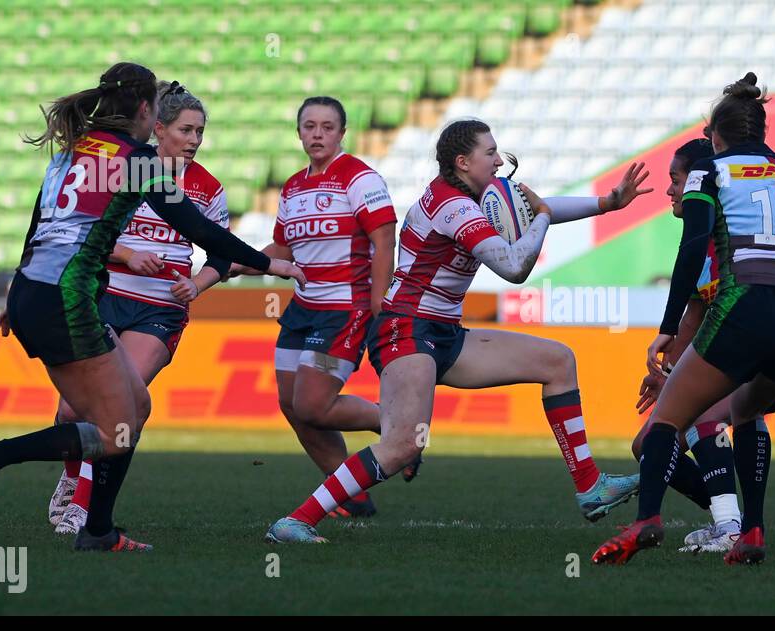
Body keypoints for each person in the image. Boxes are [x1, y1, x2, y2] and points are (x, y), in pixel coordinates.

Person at [0, 62, 305, 552]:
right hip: (67, 300)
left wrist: (17, 294)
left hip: (38, 291)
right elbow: (198, 229)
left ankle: (98, 530)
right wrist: (269, 263)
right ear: (145, 111)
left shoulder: (74, 150)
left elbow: (39, 225)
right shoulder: (138, 161)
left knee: (134, 407)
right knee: (115, 431)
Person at [264, 118, 652, 543]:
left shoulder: (476, 193)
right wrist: (539, 218)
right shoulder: (455, 206)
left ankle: (590, 487)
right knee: (402, 446)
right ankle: (296, 520)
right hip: (406, 329)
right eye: (490, 152)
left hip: (442, 331)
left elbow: (535, 205)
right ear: (464, 162)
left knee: (557, 361)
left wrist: (606, 203)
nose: (500, 160)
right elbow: (514, 266)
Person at [592, 73, 775, 565]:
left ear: (714, 135)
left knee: (667, 418)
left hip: (748, 306)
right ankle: (750, 531)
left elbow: (693, 247)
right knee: (748, 411)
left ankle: (646, 522)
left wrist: (666, 329)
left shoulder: (711, 170)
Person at [48, 80, 231, 535]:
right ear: (160, 128)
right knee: (72, 411)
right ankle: (71, 480)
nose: (194, 141)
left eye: (200, 132)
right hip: (105, 296)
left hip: (158, 311)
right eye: (186, 130)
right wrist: (128, 256)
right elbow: (80, 235)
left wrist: (198, 283)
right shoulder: (124, 171)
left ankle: (86, 508)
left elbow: (221, 254)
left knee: (118, 401)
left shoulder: (208, 187)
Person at [242, 97, 401, 519]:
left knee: (313, 404)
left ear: (342, 133)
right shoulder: (293, 187)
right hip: (303, 309)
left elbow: (385, 240)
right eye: (309, 126)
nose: (317, 134)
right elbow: (282, 247)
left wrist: (377, 304)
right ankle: (352, 496)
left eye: (327, 127)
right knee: (293, 406)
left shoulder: (360, 178)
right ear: (298, 133)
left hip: (344, 309)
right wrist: (230, 263)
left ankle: (395, 426)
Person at [634, 137, 747, 555]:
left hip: (756, 356)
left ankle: (732, 525)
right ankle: (735, 520)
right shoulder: (704, 248)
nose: (669, 191)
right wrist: (669, 374)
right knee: (647, 446)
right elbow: (695, 316)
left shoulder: (734, 241)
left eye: (674, 180)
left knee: (700, 416)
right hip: (726, 359)